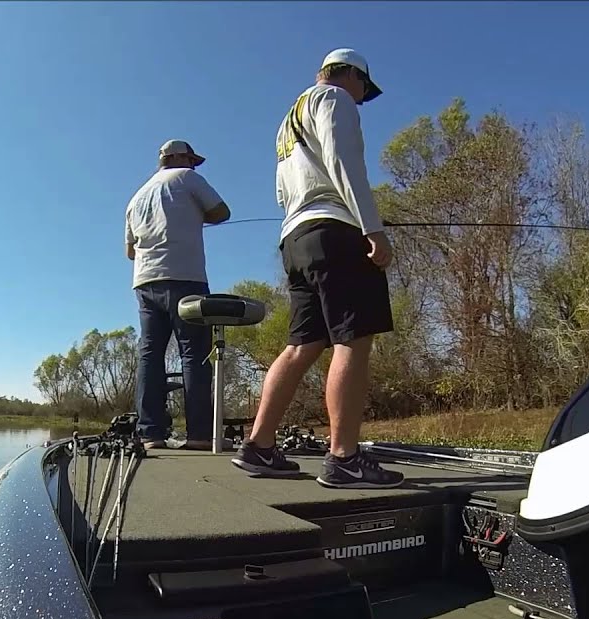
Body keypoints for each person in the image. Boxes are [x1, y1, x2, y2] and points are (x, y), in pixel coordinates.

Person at [231, 49, 404, 489]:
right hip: (335, 231)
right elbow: (343, 159)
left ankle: (259, 446)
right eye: (365, 88)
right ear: (350, 76)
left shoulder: (288, 120)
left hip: (295, 239)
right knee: (353, 339)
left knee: (301, 345)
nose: (363, 98)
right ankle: (344, 458)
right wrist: (373, 227)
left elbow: (280, 190)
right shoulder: (333, 99)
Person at [126, 139, 231, 450]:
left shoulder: (136, 197)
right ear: (177, 157)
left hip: (145, 282)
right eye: (190, 159)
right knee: (195, 354)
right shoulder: (187, 178)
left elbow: (130, 251)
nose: (194, 165)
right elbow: (222, 212)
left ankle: (150, 434)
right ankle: (199, 436)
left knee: (149, 355)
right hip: (185, 279)